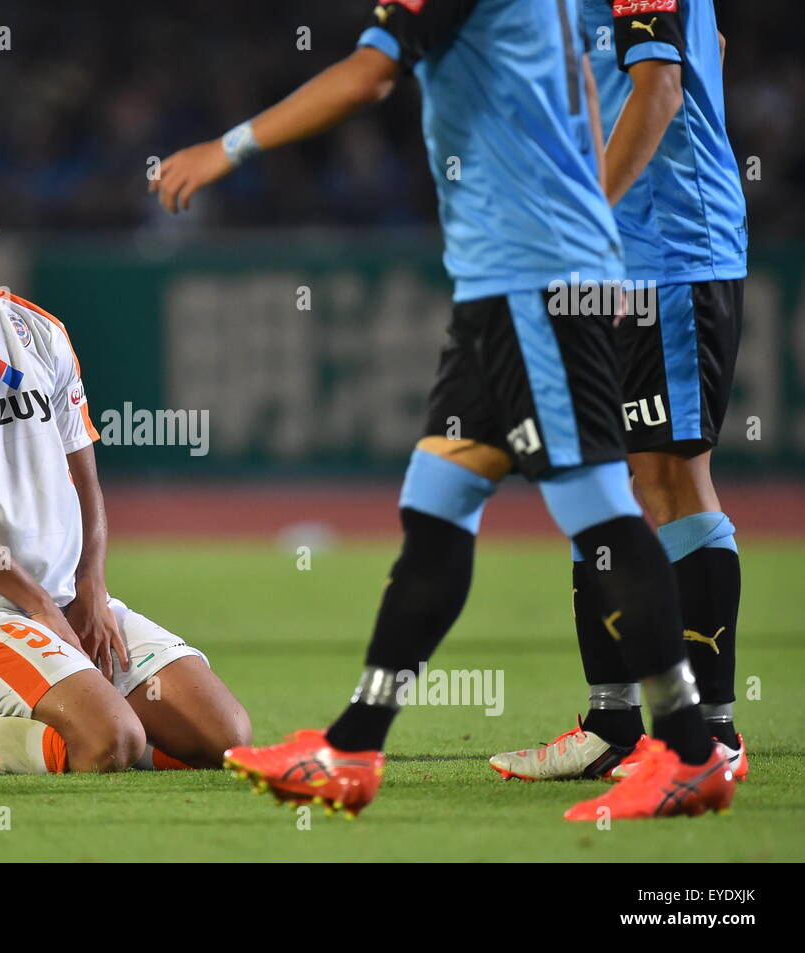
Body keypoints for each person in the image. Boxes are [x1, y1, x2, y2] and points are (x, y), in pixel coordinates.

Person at [151, 0, 733, 820]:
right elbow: (591, 94)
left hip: (536, 278)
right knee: (437, 506)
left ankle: (688, 750)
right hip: (505, 279)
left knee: (600, 510)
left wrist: (227, 147)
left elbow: (368, 75)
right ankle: (352, 747)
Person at [0, 149, 250, 776]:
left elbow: (82, 477)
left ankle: (65, 708)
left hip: (65, 599)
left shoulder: (38, 329)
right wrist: (36, 606)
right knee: (107, 744)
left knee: (222, 738)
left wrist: (92, 585)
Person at [489, 0, 748, 784]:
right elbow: (714, 47)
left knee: (672, 477)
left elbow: (663, 86)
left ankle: (709, 734)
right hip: (622, 261)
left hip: (668, 257)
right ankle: (613, 722)